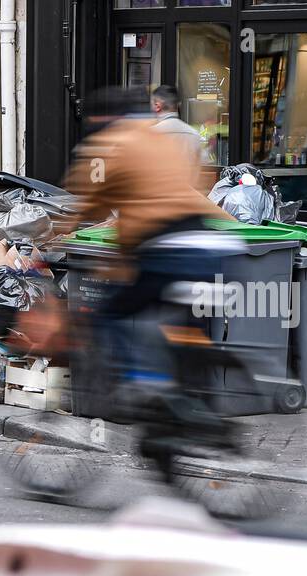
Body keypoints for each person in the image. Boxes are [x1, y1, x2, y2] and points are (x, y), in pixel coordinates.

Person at [63, 86, 240, 393]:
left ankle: (148, 387)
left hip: (164, 249)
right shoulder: (171, 138)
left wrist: (65, 230)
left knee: (110, 313)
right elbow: (193, 188)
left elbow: (93, 201)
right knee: (184, 325)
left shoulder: (111, 143)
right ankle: (196, 395)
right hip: (206, 246)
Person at [151, 84, 205, 168]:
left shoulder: (149, 134)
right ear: (178, 106)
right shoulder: (194, 135)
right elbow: (203, 164)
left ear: (157, 106)